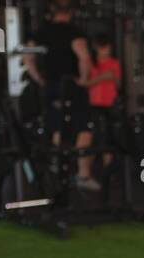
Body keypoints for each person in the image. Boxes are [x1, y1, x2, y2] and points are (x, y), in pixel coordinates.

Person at [21, 0, 98, 190]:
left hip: (51, 85)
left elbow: (27, 57)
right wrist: (83, 79)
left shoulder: (40, 32)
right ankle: (83, 175)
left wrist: (39, 79)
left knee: (56, 126)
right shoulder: (74, 32)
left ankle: (57, 170)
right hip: (71, 85)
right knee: (84, 128)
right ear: (70, 13)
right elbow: (84, 58)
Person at [86, 32, 121, 171]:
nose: (106, 51)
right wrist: (102, 78)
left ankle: (108, 170)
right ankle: (86, 170)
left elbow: (119, 84)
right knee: (94, 138)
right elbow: (84, 84)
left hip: (110, 103)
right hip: (94, 103)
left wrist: (113, 78)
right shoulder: (90, 64)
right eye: (103, 47)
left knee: (108, 137)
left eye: (108, 47)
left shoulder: (115, 63)